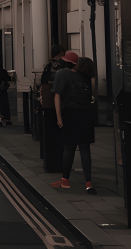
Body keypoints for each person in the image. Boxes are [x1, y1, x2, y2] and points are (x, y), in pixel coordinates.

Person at [50, 53, 96, 194]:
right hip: (86, 114)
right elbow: (92, 95)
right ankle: (88, 182)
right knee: (84, 149)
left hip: (70, 113)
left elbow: (57, 96)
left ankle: (65, 180)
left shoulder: (63, 74)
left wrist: (58, 117)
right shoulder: (88, 78)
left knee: (69, 148)